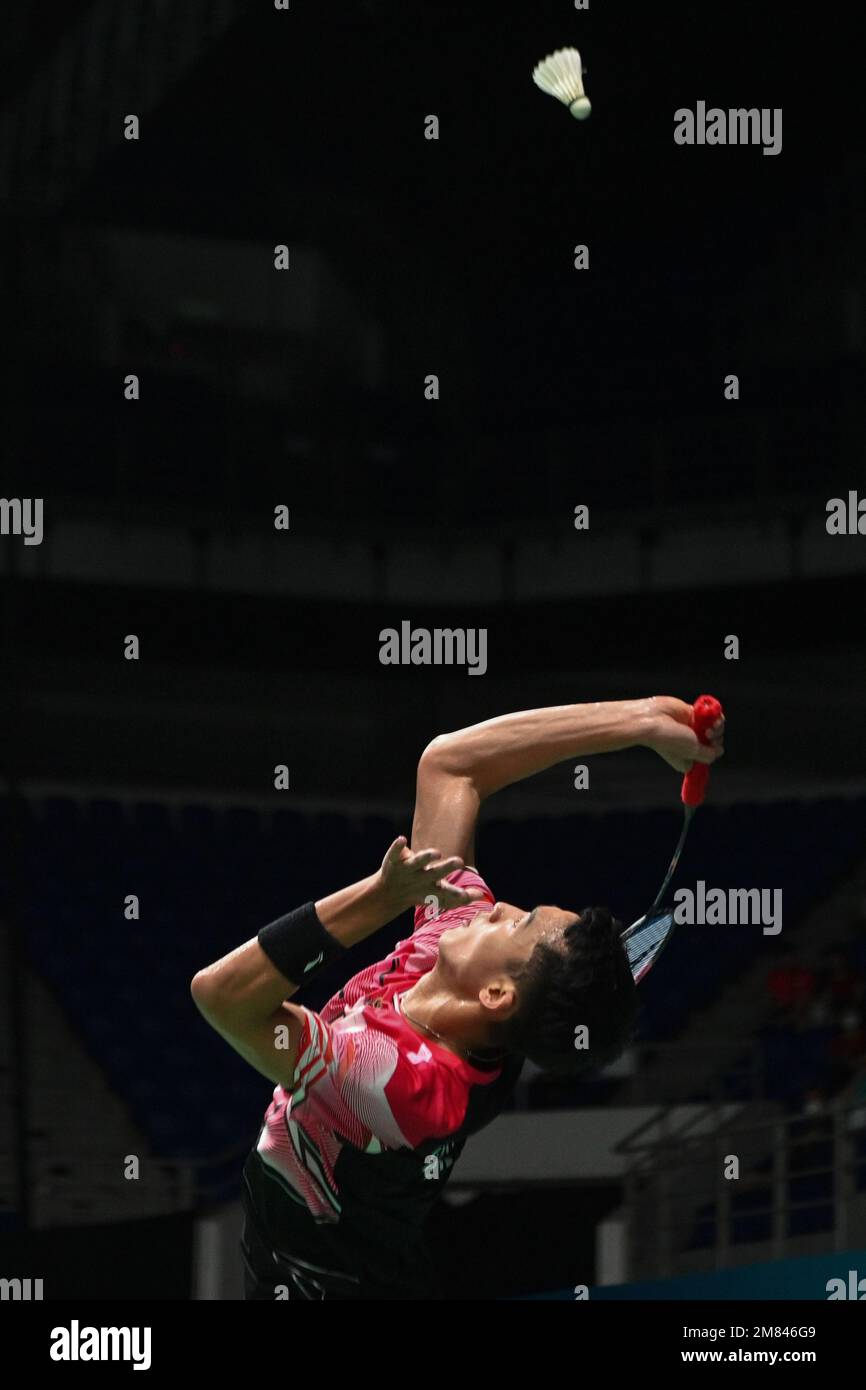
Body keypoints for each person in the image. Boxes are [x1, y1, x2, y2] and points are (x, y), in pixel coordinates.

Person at [191, 694, 724, 1300]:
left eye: (515, 926)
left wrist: (379, 898)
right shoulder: (459, 934)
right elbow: (451, 765)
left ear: (495, 994)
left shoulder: (391, 1082)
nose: (496, 907)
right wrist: (640, 721)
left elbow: (223, 997)